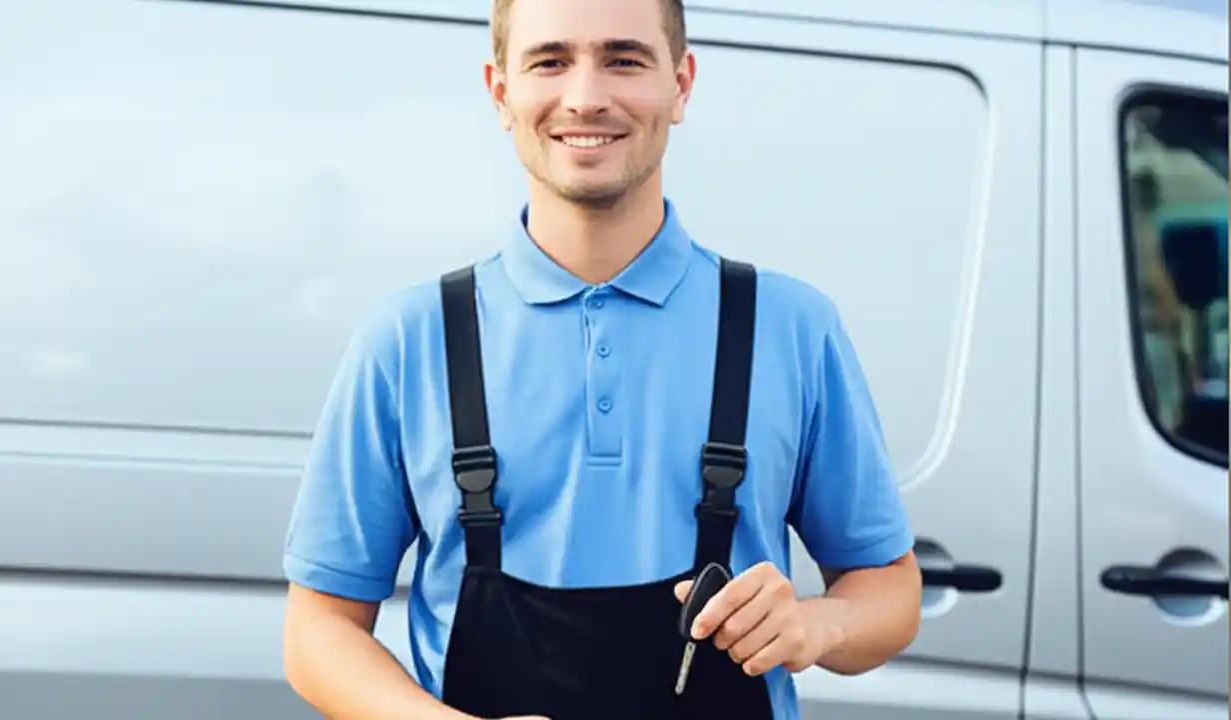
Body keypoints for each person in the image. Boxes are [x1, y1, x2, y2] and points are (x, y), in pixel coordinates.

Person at [280, 0, 922, 718]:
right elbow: (319, 629)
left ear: (681, 84)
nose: (586, 97)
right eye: (550, 61)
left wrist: (817, 624)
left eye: (624, 59)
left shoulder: (792, 327)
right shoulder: (406, 341)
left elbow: (890, 590)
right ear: (500, 92)